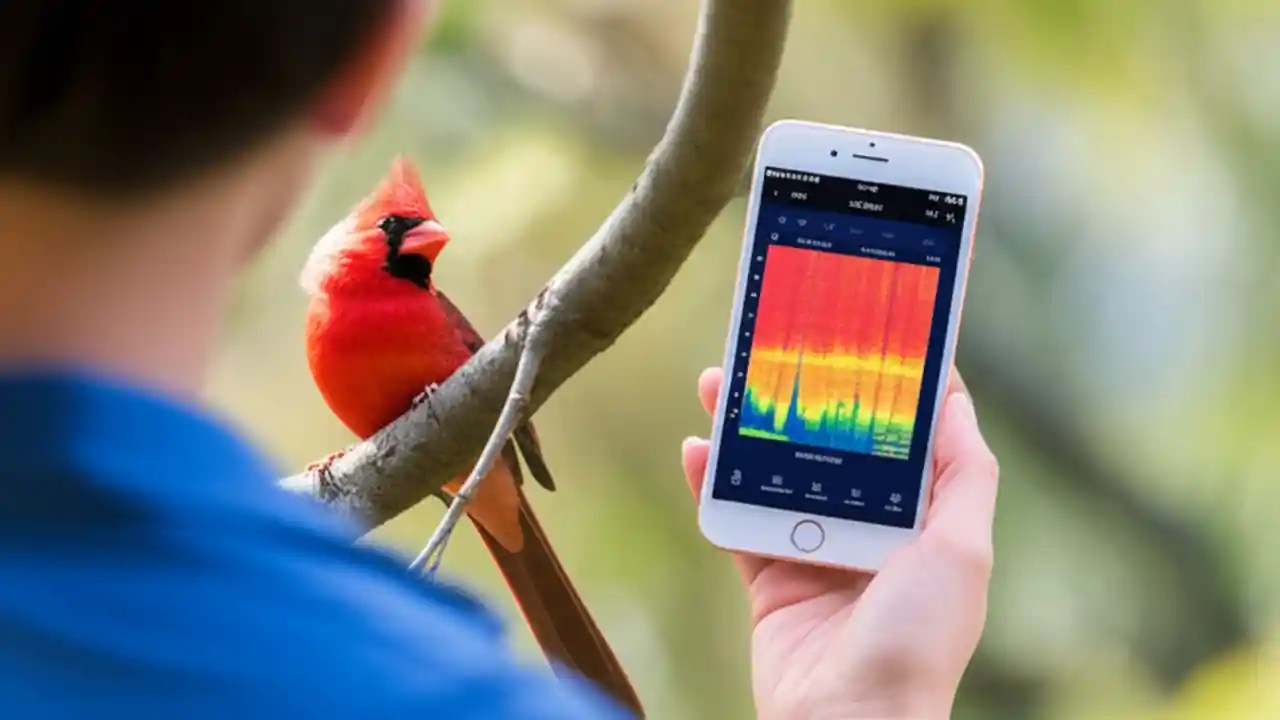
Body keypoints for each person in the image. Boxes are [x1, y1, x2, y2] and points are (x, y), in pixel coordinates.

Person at [0, 0, 999, 717]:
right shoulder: (421, 690)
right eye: (402, 232)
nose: (424, 243)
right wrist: (865, 704)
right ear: (374, 55)